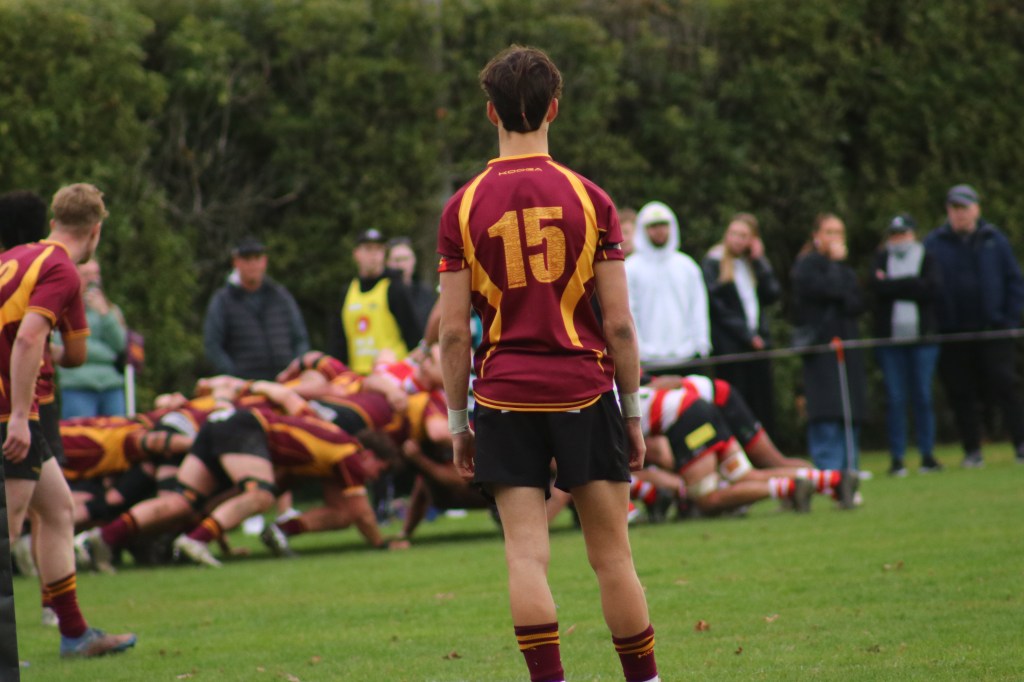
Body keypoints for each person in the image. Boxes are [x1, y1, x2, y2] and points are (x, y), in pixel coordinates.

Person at [437, 46, 659, 682]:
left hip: (504, 398)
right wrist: (632, 414)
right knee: (613, 559)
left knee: (525, 557)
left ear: (491, 113)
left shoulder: (462, 207)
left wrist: (458, 424)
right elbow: (619, 324)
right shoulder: (591, 198)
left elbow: (452, 335)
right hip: (584, 392)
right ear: (554, 109)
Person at [0, 183, 136, 657]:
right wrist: (19, 417)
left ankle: (74, 634)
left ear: (55, 222)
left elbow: (67, 351)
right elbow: (28, 339)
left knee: (58, 510)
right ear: (95, 231)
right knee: (8, 528)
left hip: (17, 408)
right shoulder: (61, 269)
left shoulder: (16, 258)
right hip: (10, 411)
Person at [924, 184, 1024, 467]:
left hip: (994, 329)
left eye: (964, 208)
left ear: (977, 209)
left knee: (1005, 385)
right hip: (953, 331)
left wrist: (1008, 319)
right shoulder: (934, 243)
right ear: (948, 211)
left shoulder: (995, 239)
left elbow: (1014, 281)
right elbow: (928, 285)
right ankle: (972, 450)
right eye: (954, 208)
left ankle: (1020, 442)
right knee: (960, 391)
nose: (960, 214)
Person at [790, 213, 867, 472]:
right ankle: (828, 469)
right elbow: (829, 290)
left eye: (839, 233)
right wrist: (836, 267)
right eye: (829, 232)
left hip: (847, 344)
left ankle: (850, 468)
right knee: (827, 407)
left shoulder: (844, 268)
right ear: (816, 236)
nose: (835, 239)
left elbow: (856, 302)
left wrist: (839, 271)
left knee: (850, 406)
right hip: (821, 347)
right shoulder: (807, 265)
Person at [869, 214, 943, 475]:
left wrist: (892, 285)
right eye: (894, 234)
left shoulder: (927, 257)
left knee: (923, 396)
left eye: (903, 233)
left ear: (913, 234)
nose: (899, 239)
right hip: (891, 341)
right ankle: (897, 458)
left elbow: (930, 290)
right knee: (895, 399)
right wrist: (911, 284)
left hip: (923, 340)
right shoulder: (881, 258)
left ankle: (927, 455)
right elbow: (877, 289)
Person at [702, 213, 781, 433]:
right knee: (736, 403)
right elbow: (718, 308)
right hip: (732, 347)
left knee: (761, 403)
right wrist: (747, 336)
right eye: (734, 233)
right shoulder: (714, 262)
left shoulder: (752, 264)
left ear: (752, 240)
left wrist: (760, 260)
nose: (737, 239)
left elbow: (772, 294)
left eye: (744, 235)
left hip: (758, 346)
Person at [202, 236, 310, 380]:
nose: (252, 264)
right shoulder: (223, 301)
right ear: (236, 262)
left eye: (257, 258)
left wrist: (295, 370)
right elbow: (213, 345)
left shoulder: (281, 296)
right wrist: (233, 375)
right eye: (247, 259)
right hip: (244, 386)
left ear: (264, 261)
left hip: (285, 382)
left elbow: (300, 338)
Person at [627, 200, 710, 370]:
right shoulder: (630, 268)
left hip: (687, 357)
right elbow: (629, 311)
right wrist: (637, 349)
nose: (659, 230)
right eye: (653, 226)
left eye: (663, 225)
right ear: (643, 229)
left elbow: (698, 307)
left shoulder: (687, 266)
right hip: (645, 361)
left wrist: (701, 344)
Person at [328, 229, 422, 374]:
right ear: (356, 254)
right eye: (368, 249)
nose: (374, 255)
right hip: (358, 374)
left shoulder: (394, 288)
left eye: (378, 249)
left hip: (393, 374)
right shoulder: (348, 292)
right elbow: (339, 341)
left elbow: (413, 334)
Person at [57, 259, 128, 418]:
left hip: (111, 385)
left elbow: (121, 345)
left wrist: (105, 314)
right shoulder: (63, 309)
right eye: (86, 274)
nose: (92, 280)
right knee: (81, 432)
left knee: (117, 431)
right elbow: (64, 348)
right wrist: (108, 353)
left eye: (96, 274)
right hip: (78, 384)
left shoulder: (111, 310)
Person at [386, 236, 436, 335]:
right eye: (396, 260)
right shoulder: (381, 294)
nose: (401, 265)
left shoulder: (426, 293)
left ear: (414, 260)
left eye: (405, 259)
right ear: (387, 263)